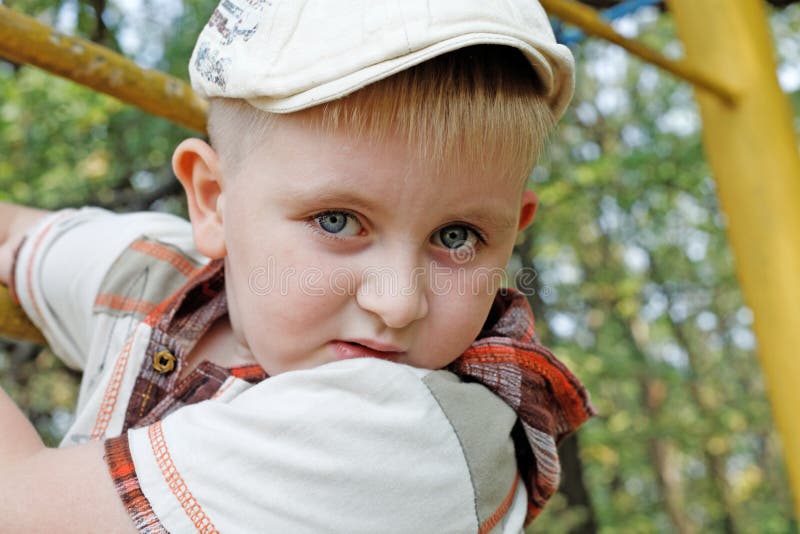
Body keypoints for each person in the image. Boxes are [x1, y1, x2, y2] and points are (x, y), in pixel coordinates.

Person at [0, 0, 594, 531]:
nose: (398, 302)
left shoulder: (414, 436)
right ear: (213, 201)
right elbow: (17, 230)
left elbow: (17, 507)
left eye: (457, 235)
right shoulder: (151, 272)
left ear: (512, 233)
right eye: (336, 221)